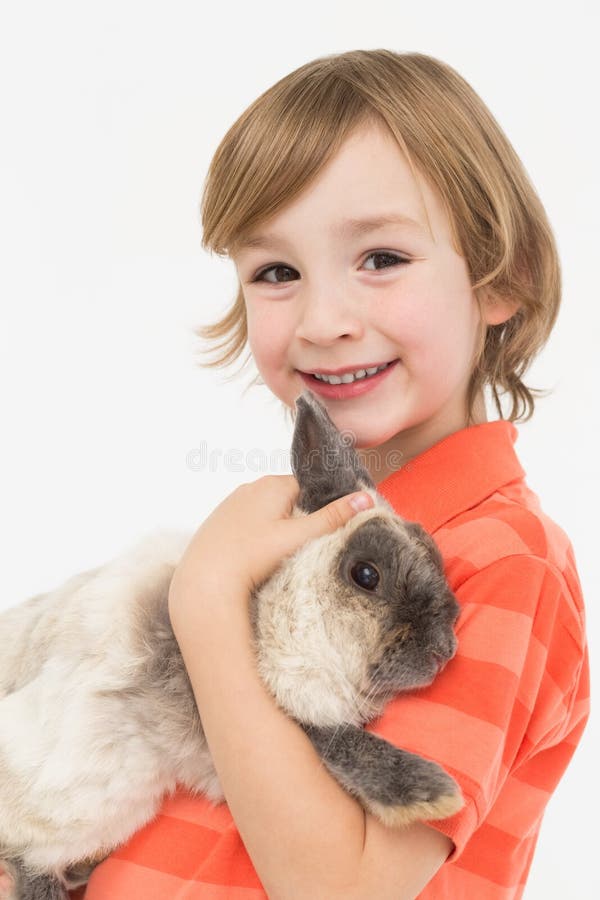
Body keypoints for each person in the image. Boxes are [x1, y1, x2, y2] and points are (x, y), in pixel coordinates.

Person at [77, 49, 590, 899]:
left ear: (503, 277)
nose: (323, 321)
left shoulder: (504, 564)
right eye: (276, 273)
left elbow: (341, 886)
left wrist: (205, 600)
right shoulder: (293, 537)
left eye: (381, 258)